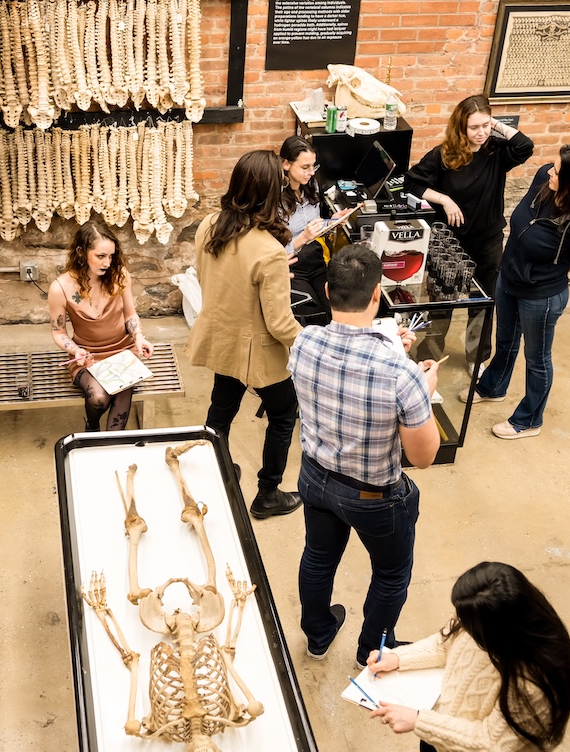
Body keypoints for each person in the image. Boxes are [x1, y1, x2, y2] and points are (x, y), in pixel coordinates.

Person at [290, 244, 441, 666]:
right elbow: (424, 456)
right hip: (373, 494)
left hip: (315, 477)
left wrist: (397, 354)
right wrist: (421, 391)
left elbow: (345, 371)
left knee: (318, 558)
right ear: (378, 294)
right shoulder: (401, 375)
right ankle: (371, 650)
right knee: (391, 574)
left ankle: (318, 637)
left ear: (326, 290)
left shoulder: (304, 342)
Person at [365, 562, 570, 752]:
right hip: (444, 746)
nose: (460, 623)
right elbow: (444, 643)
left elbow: (490, 743)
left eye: (468, 623)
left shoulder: (534, 680)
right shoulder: (480, 617)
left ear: (501, 631)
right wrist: (398, 658)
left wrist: (419, 721)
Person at [188, 149, 304, 519]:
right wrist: (318, 344)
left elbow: (212, 278)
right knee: (284, 415)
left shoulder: (209, 225)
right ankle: (268, 493)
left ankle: (217, 466)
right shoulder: (270, 251)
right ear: (271, 192)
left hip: (222, 338)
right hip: (258, 352)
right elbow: (281, 325)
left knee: (221, 408)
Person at [468, 145, 570, 440]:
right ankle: (493, 387)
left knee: (537, 359)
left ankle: (529, 420)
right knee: (504, 341)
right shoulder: (544, 181)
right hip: (509, 280)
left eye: (557, 171)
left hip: (541, 297)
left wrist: (561, 266)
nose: (550, 172)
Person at [404, 95, 534, 371]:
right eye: (474, 127)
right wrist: (444, 199)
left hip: (487, 240)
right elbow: (411, 185)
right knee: (443, 302)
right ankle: (430, 353)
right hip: (450, 244)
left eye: (485, 125)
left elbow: (525, 146)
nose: (481, 133)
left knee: (483, 302)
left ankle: (477, 357)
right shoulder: (443, 155)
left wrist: (496, 124)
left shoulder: (496, 150)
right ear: (460, 128)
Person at [48, 220, 154, 432]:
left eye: (111, 256)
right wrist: (75, 350)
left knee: (117, 425)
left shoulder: (119, 275)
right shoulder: (60, 288)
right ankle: (92, 427)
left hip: (122, 351)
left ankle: (110, 447)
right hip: (87, 355)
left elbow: (130, 313)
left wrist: (139, 336)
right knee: (98, 399)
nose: (107, 262)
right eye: (100, 256)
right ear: (81, 252)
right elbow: (59, 332)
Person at [280, 135, 352, 327]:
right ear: (286, 164)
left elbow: (314, 226)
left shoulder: (311, 185)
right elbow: (273, 251)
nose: (311, 172)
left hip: (316, 258)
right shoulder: (275, 199)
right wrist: (303, 238)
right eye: (305, 167)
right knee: (313, 317)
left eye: (313, 166)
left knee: (336, 311)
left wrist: (331, 223)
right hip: (291, 264)